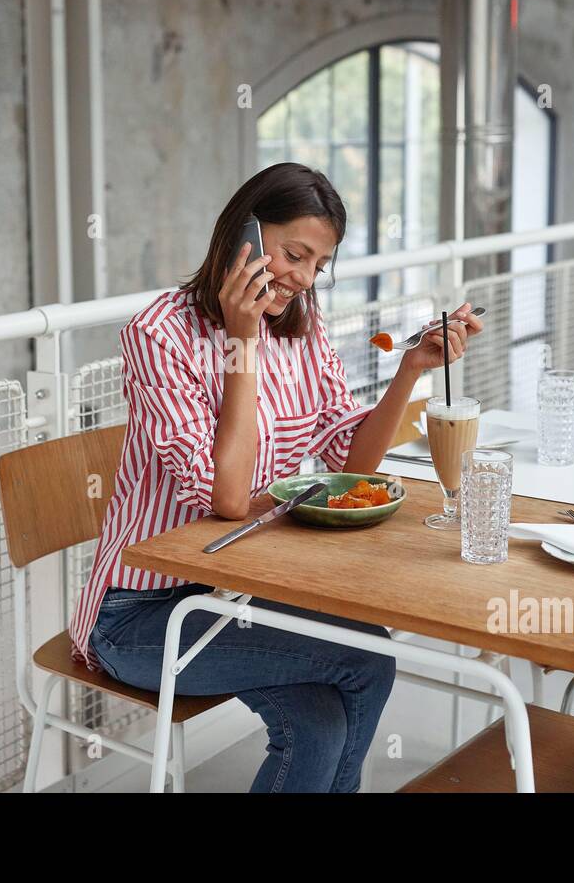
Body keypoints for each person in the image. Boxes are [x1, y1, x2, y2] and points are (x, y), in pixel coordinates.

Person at [68, 162, 482, 791]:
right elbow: (229, 499)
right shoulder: (158, 334)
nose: (305, 278)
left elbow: (351, 465)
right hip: (142, 614)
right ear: (246, 237)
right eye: (294, 254)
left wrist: (412, 370)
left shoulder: (303, 328)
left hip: (241, 592)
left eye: (319, 264)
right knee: (366, 658)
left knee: (327, 714)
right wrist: (242, 341)